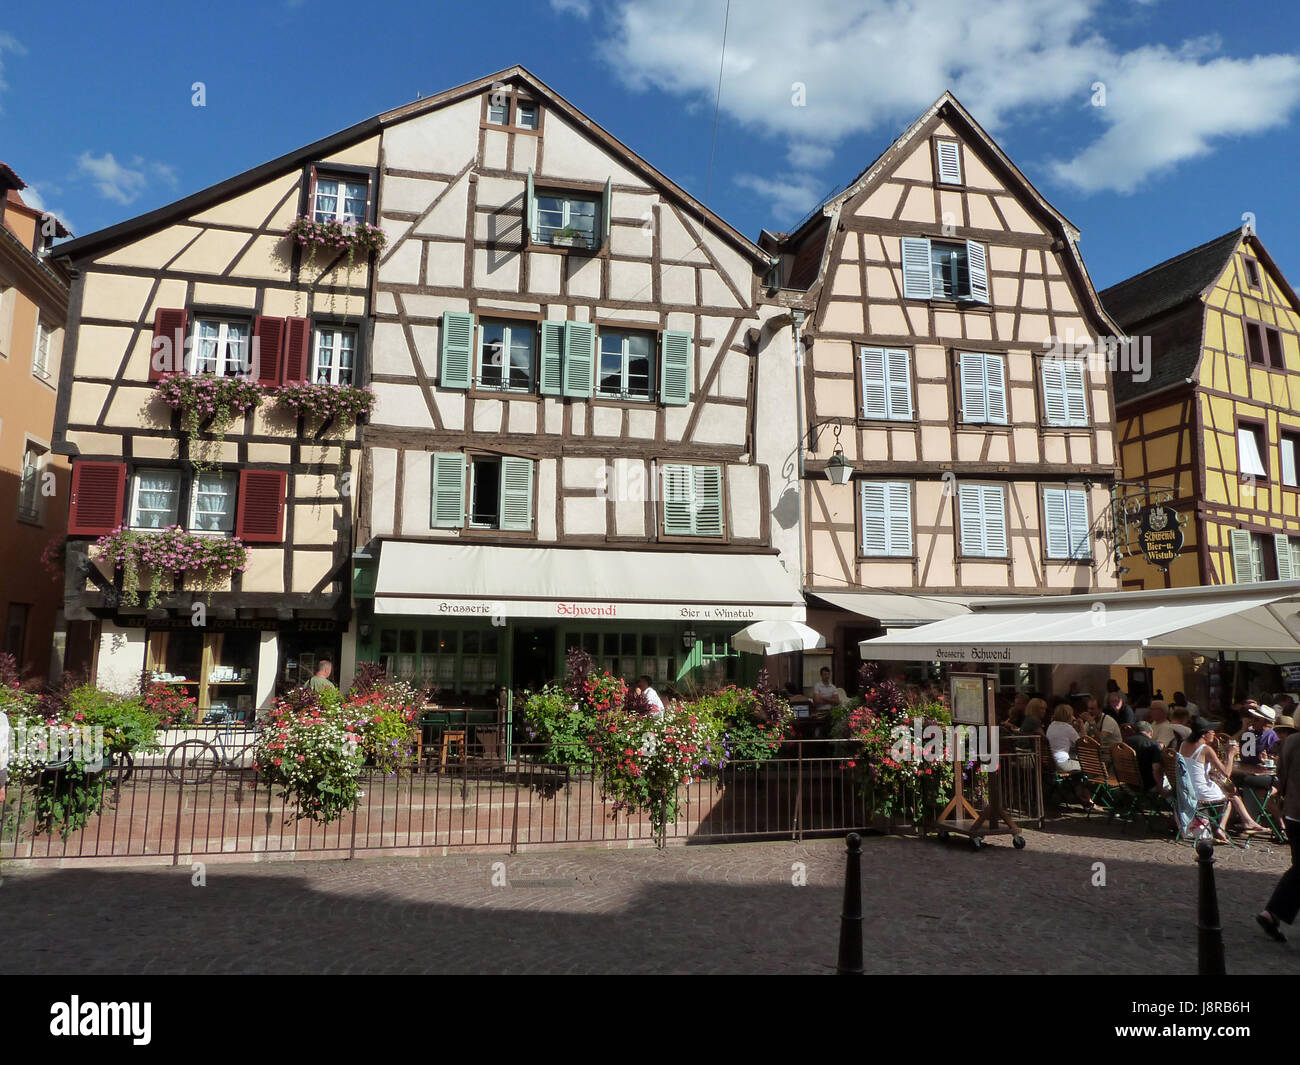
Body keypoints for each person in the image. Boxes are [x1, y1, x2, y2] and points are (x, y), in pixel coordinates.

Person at [1178, 719, 1269, 842]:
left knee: (1229, 791)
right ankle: (1223, 827)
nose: (1214, 733)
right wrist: (1230, 754)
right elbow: (1226, 773)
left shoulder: (1184, 744)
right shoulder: (1205, 749)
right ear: (1204, 734)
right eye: (1212, 731)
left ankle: (1246, 822)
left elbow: (1194, 767)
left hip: (1186, 789)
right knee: (1231, 796)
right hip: (1200, 792)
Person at [1257, 723, 1300, 942]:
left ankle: (1272, 913)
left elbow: (1280, 781)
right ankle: (1272, 912)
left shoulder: (1290, 742)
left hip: (1293, 814)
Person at [1233, 703, 1280, 788]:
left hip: (1261, 774)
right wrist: (1243, 730)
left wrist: (1266, 760)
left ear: (1265, 722)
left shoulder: (1272, 737)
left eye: (1256, 719)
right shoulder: (1249, 733)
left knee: (1243, 780)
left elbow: (1276, 760)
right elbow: (1229, 744)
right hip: (1245, 770)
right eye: (1252, 718)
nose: (1252, 721)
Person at [1128, 721, 1165, 791]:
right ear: (1151, 733)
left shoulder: (1125, 742)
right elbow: (1156, 770)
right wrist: (1161, 787)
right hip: (1147, 784)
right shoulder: (1154, 745)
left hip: (1127, 781)